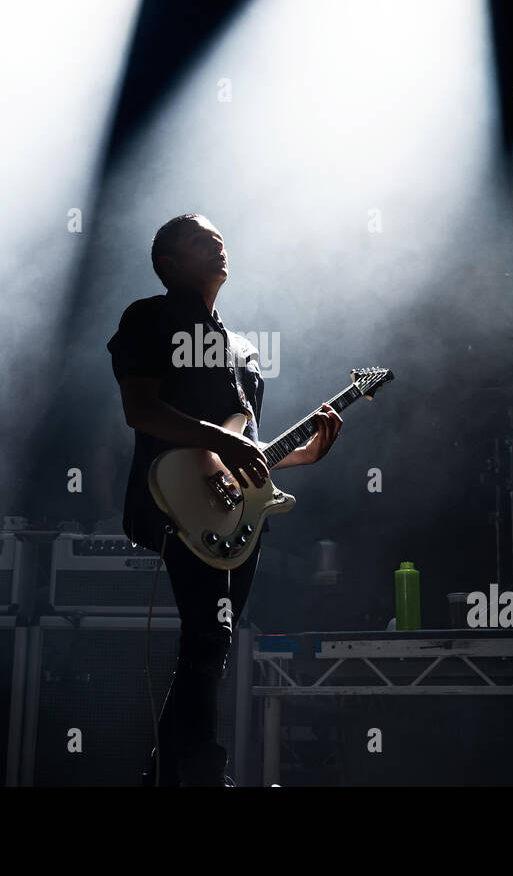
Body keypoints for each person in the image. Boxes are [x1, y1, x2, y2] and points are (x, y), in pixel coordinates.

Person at [107, 213, 341, 786]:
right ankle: (206, 775)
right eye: (198, 240)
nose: (216, 244)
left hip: (231, 509)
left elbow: (246, 451)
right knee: (211, 638)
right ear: (167, 263)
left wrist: (302, 457)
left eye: (218, 238)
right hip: (172, 497)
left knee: (211, 644)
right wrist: (218, 440)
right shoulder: (149, 318)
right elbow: (141, 410)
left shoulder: (242, 349)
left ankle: (166, 776)